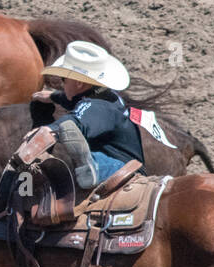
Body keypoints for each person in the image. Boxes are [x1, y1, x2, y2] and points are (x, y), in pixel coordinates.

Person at [35, 41, 145, 189]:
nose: (62, 84)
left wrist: (48, 130)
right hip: (127, 159)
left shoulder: (98, 106)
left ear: (79, 83)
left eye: (64, 79)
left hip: (123, 166)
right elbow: (78, 102)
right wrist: (54, 96)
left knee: (98, 162)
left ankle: (93, 167)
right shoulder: (103, 95)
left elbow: (76, 121)